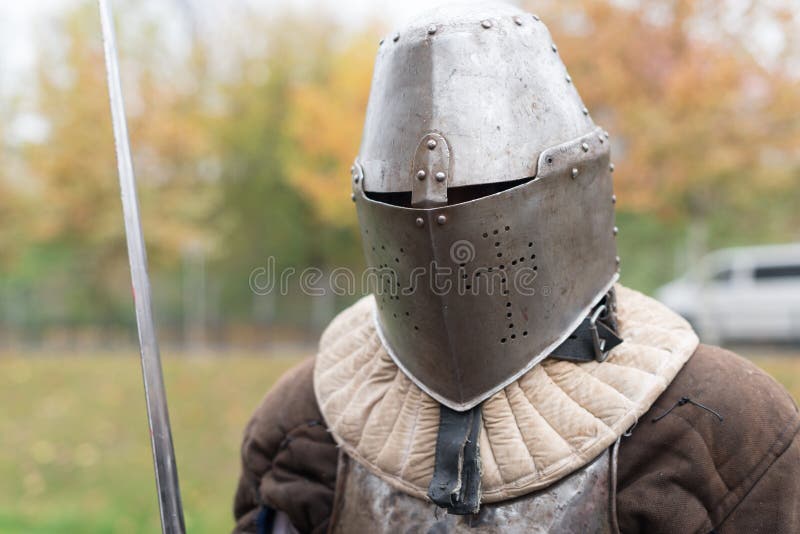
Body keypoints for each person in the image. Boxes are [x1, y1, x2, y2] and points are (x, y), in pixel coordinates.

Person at [232, 3, 800, 533]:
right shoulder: (302, 422)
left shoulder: (718, 421)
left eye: (486, 194)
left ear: (573, 182)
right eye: (403, 204)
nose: (439, 228)